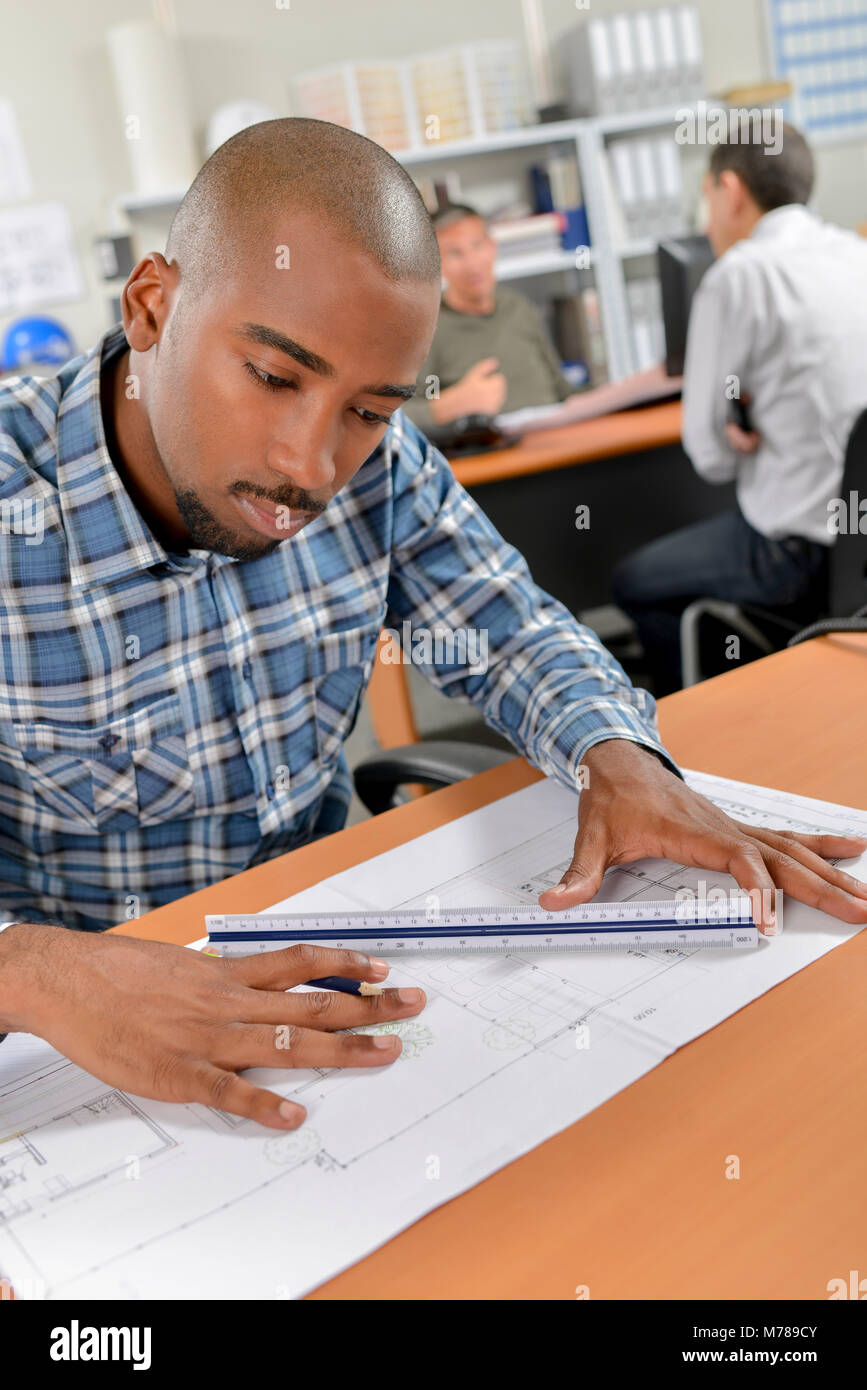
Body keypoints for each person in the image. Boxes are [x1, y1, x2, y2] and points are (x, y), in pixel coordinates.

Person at [1, 119, 865, 1132]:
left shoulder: (385, 466)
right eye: (276, 377)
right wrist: (30, 969)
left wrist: (616, 753)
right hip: (90, 1044)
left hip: (336, 976)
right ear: (153, 305)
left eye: (368, 409)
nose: (312, 467)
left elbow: (511, 628)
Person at [612, 121, 867, 694]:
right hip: (860, 543)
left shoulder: (738, 276)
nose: (706, 223)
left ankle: (700, 735)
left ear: (730, 190)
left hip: (797, 549)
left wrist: (735, 427)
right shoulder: (858, 253)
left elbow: (709, 458)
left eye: (706, 199)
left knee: (635, 582)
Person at [401, 202, 576, 430]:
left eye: (478, 245)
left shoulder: (518, 306)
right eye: (455, 253)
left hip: (563, 437)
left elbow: (562, 390)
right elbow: (397, 419)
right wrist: (445, 407)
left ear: (493, 247)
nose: (472, 264)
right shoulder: (427, 329)